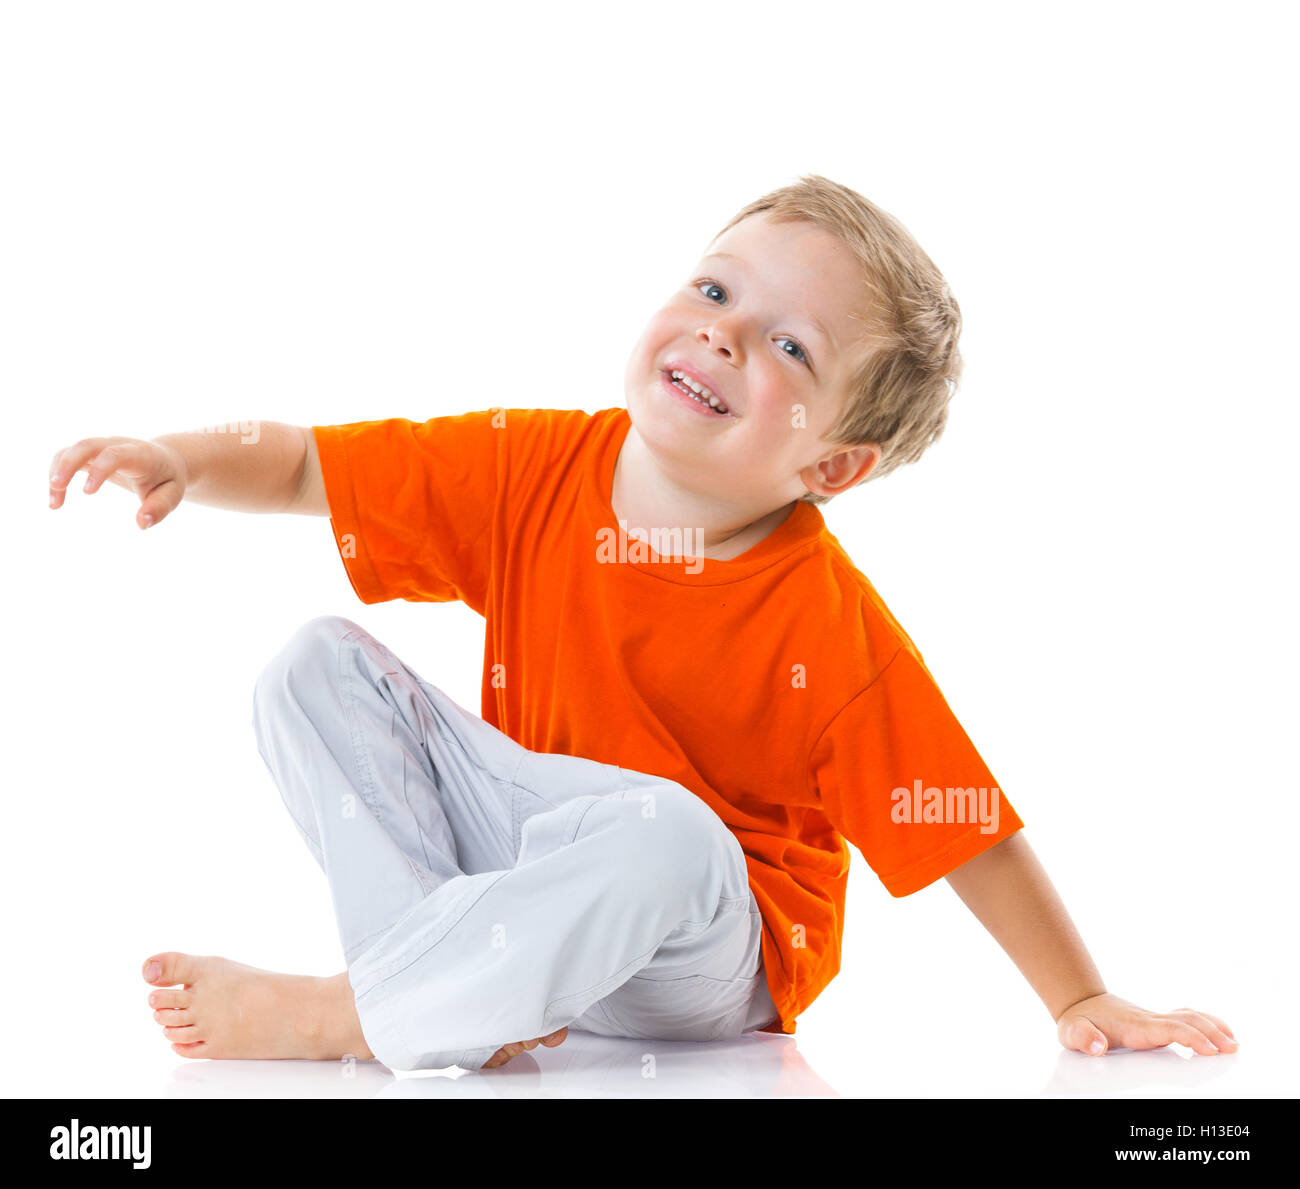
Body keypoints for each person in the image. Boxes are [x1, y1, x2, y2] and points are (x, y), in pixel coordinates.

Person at [48, 174, 1237, 1072]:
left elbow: (963, 826)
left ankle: (362, 1011)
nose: (720, 331)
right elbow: (316, 467)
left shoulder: (830, 626)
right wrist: (181, 459)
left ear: (831, 464)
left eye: (786, 346)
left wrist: (1078, 997)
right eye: (716, 289)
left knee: (669, 833)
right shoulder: (532, 467)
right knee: (310, 665)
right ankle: (462, 992)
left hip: (699, 950)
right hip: (528, 875)